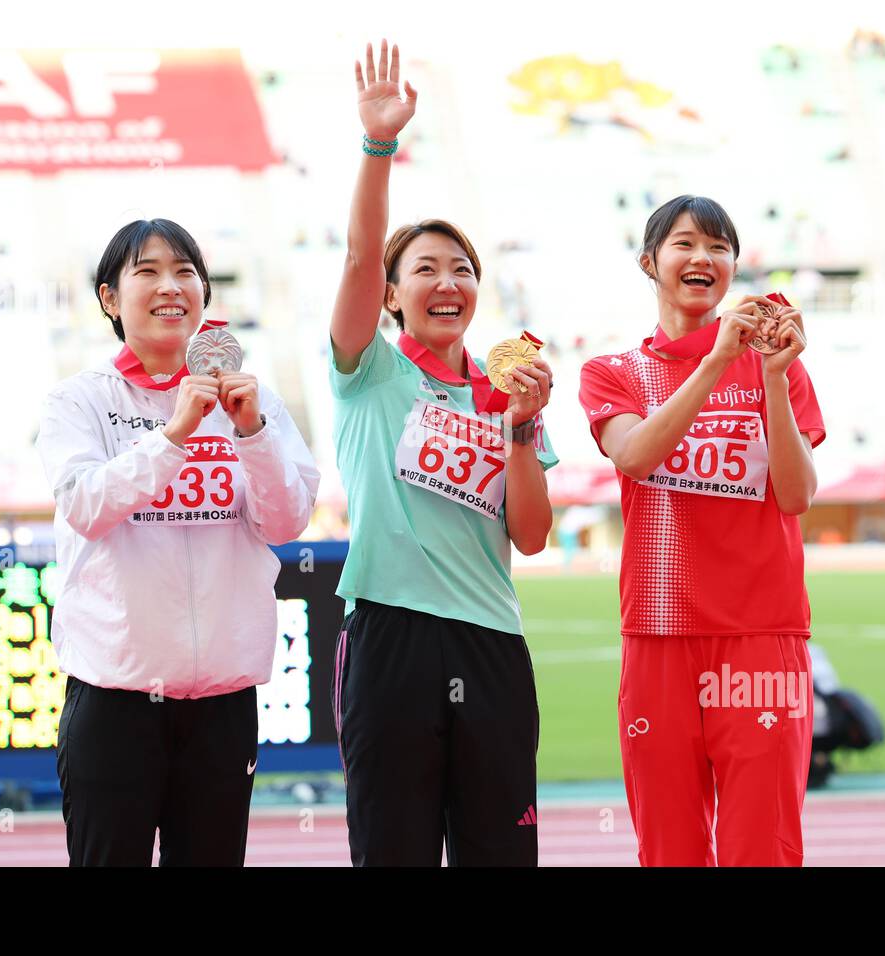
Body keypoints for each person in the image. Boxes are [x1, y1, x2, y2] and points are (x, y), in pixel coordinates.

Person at [328, 40, 558, 867]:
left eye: (461, 268)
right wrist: (379, 145)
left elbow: (530, 537)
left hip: (491, 643)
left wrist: (523, 433)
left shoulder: (510, 391)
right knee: (394, 851)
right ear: (392, 295)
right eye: (424, 268)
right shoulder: (370, 373)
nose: (447, 281)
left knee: (501, 854)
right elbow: (358, 256)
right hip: (392, 640)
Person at [36, 218, 320, 866]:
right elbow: (85, 504)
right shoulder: (78, 402)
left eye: (186, 272)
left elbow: (287, 521)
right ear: (110, 297)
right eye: (148, 272)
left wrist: (250, 434)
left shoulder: (254, 401)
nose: (172, 287)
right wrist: (174, 434)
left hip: (222, 707)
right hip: (114, 704)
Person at [577, 196, 825, 866]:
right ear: (649, 262)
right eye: (685, 244)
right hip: (660, 637)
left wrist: (771, 376)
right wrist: (717, 360)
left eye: (719, 248)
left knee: (761, 844)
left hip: (761, 634)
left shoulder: (780, 366)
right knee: (671, 845)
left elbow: (797, 495)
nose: (703, 258)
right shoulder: (616, 372)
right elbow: (633, 455)